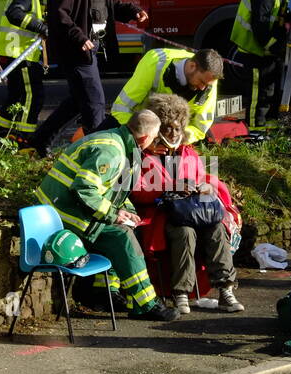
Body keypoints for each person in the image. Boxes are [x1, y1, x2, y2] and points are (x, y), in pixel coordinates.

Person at [35, 109, 179, 322]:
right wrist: (113, 215)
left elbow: (115, 191)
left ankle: (107, 292)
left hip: (67, 209)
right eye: (155, 136)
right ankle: (145, 304)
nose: (156, 141)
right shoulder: (112, 152)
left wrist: (126, 211)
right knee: (121, 237)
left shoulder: (120, 143)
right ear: (145, 137)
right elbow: (84, 190)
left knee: (123, 230)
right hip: (61, 216)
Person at [28, 0, 148, 157]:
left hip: (92, 48)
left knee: (78, 100)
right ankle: (99, 153)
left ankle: (40, 140)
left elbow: (106, 4)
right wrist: (79, 37)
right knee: (94, 101)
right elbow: (59, 14)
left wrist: (132, 11)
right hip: (75, 50)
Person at [130, 93, 244, 314]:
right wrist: (170, 187)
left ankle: (225, 289)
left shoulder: (189, 153)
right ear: (156, 129)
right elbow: (137, 193)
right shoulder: (142, 155)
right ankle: (180, 293)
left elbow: (205, 180)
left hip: (196, 210)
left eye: (177, 128)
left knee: (217, 229)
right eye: (167, 128)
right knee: (184, 233)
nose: (173, 133)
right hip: (164, 214)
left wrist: (204, 187)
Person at [229, 0, 291, 130]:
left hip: (262, 53)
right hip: (254, 52)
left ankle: (268, 125)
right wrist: (274, 48)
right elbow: (260, 29)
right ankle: (254, 131)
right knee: (258, 97)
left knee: (269, 91)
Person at [106, 47, 222, 144]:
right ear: (192, 66)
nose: (203, 88)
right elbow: (120, 109)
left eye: (207, 85)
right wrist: (144, 136)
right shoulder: (155, 63)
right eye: (201, 82)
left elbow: (199, 127)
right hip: (142, 128)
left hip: (176, 137)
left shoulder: (208, 80)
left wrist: (176, 140)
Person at [0, 0, 50, 146]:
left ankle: (2, 134)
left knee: (16, 95)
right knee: (33, 96)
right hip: (21, 54)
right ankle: (23, 139)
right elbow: (14, 13)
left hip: (18, 53)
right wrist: (41, 27)